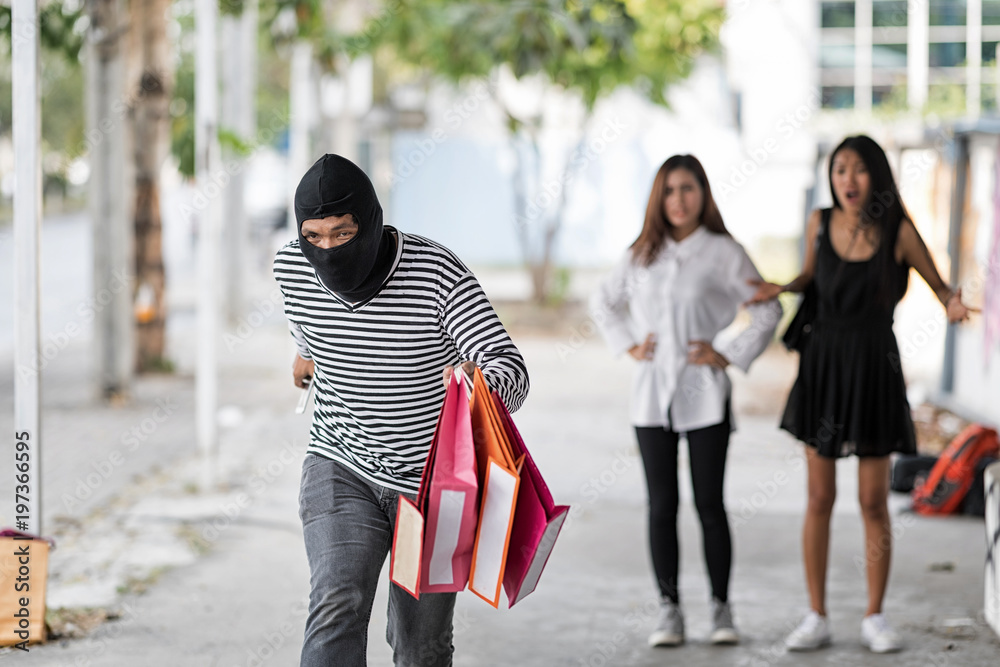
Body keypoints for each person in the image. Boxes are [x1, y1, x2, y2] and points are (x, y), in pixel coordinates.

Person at [273, 154, 530, 667]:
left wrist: (477, 387)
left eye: (342, 235)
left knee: (421, 645)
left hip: (435, 486)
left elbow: (511, 369)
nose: (326, 250)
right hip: (341, 463)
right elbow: (309, 332)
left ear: (370, 222)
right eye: (314, 236)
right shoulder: (291, 269)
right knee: (336, 605)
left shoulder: (437, 272)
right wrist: (304, 355)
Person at [747, 135, 976, 654]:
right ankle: (816, 615)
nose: (847, 180)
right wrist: (781, 288)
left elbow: (940, 290)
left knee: (874, 501)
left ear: (876, 176)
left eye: (858, 170)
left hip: (874, 368)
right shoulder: (820, 222)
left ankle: (875, 616)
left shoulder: (899, 231)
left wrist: (953, 305)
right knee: (819, 498)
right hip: (824, 366)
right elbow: (811, 276)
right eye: (839, 169)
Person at [591, 154, 782, 647]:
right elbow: (603, 301)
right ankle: (669, 611)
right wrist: (630, 344)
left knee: (710, 504)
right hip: (651, 395)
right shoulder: (641, 255)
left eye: (689, 189)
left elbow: (768, 309)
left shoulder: (724, 252)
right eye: (670, 190)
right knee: (662, 505)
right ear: (660, 196)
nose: (679, 200)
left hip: (705, 395)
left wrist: (727, 353)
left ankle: (722, 610)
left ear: (704, 193)